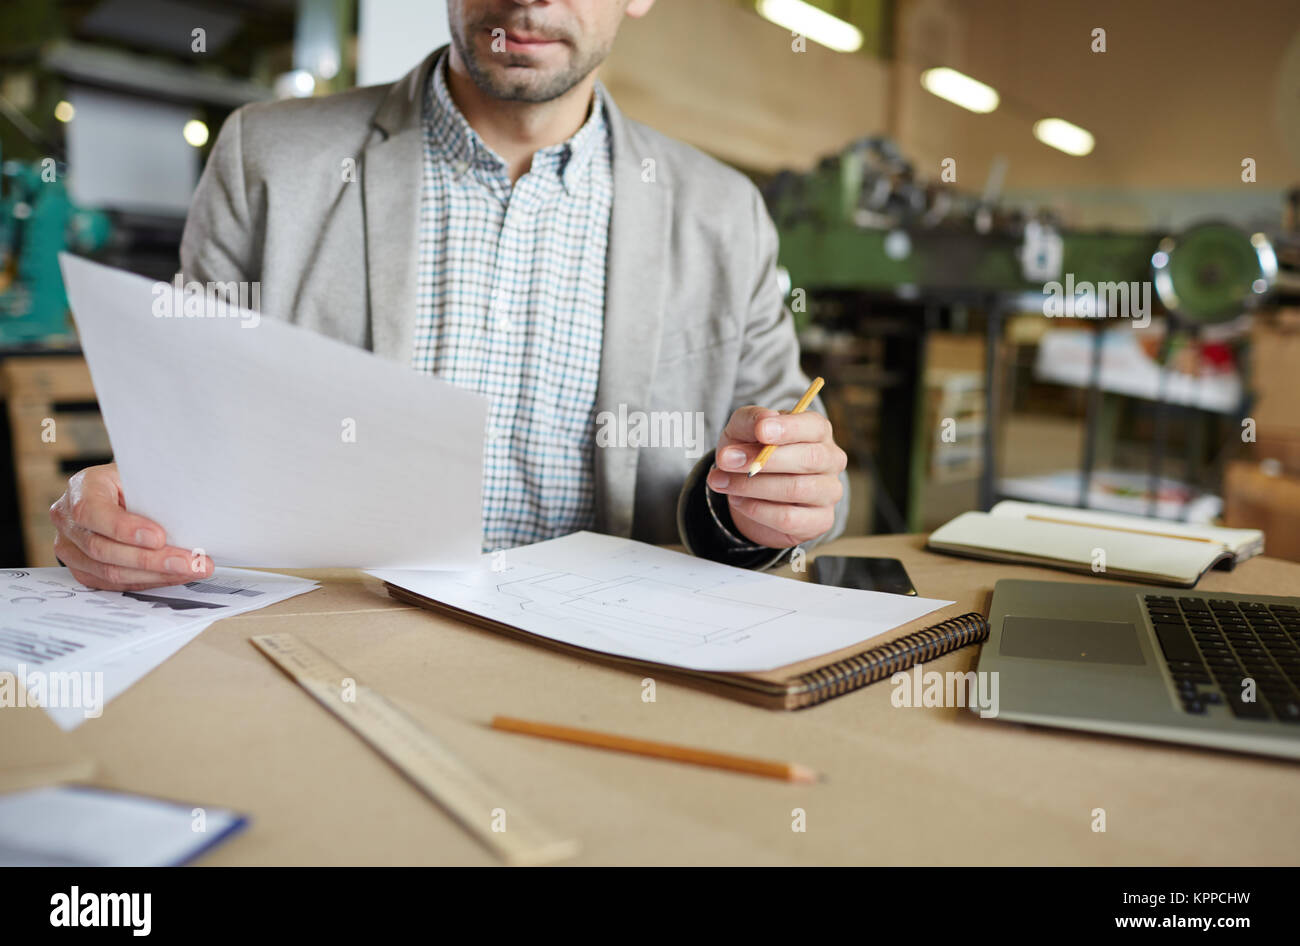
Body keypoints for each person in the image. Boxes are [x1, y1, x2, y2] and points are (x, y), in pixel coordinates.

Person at [49, 0, 848, 591]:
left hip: (607, 670)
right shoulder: (270, 158)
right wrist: (117, 500)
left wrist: (773, 505)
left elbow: (785, 474)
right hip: (323, 646)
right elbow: (184, 430)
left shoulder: (724, 214)